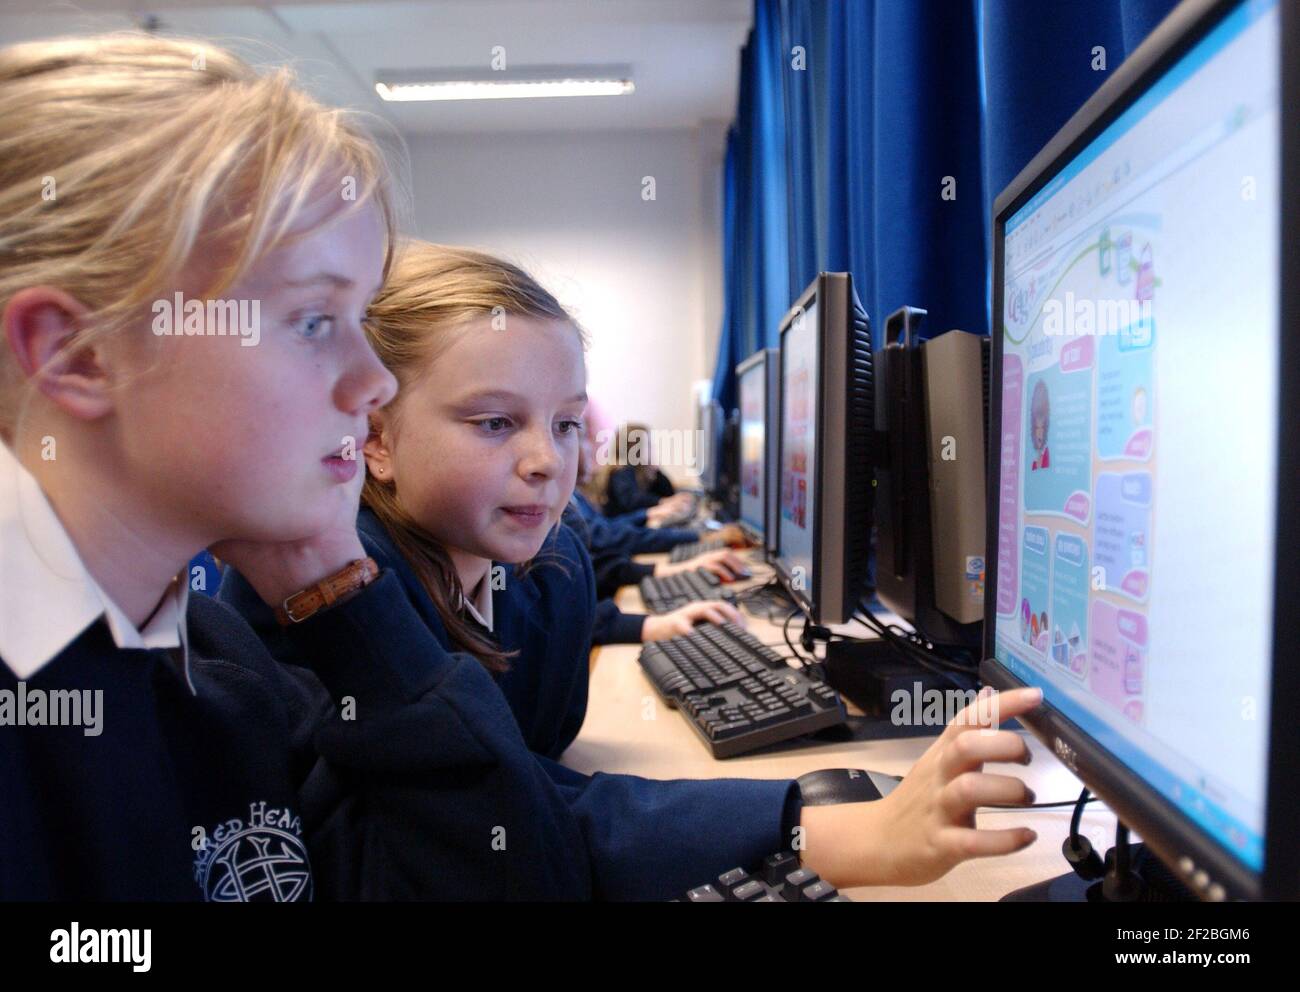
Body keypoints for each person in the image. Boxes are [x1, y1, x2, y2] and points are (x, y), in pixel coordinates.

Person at [221, 240, 1045, 898]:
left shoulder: (542, 578)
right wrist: (815, 823)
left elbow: (531, 790)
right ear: (374, 438)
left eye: (569, 422)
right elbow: (481, 829)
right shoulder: (325, 600)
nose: (550, 460)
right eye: (495, 422)